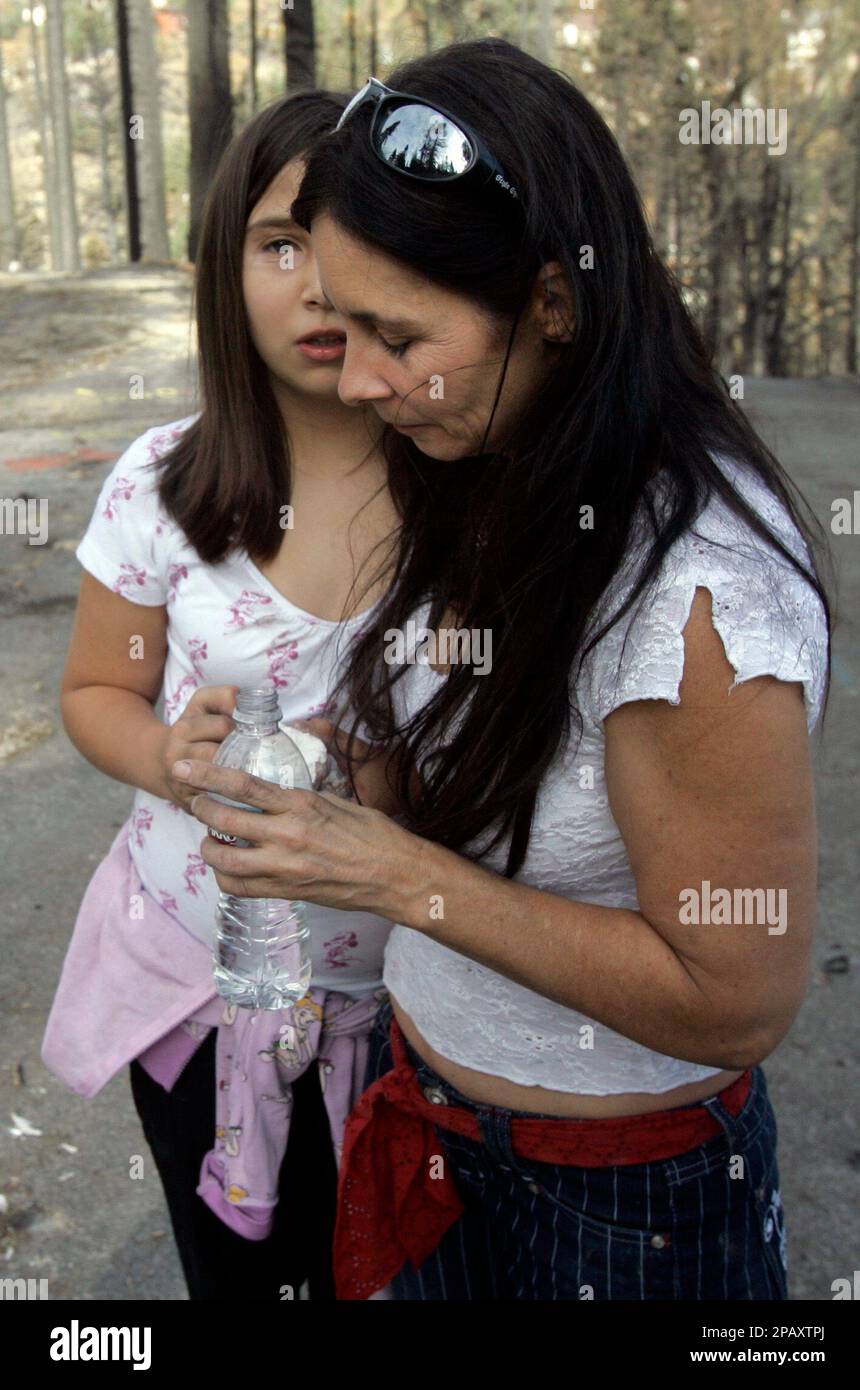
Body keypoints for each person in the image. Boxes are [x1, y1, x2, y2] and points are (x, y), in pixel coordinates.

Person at [172, 39, 833, 1301]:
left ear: (551, 300)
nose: (360, 382)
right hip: (428, 1122)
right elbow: (460, 752)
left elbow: (732, 997)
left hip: (626, 1200)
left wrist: (393, 875)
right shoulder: (480, 464)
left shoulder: (696, 598)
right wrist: (320, 750)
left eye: (397, 334)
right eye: (343, 327)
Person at [41, 90, 400, 1301]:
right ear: (224, 266)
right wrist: (166, 758)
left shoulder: (473, 495)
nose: (316, 285)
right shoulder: (165, 481)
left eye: (358, 245)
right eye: (280, 242)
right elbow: (96, 688)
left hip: (416, 1018)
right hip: (196, 990)